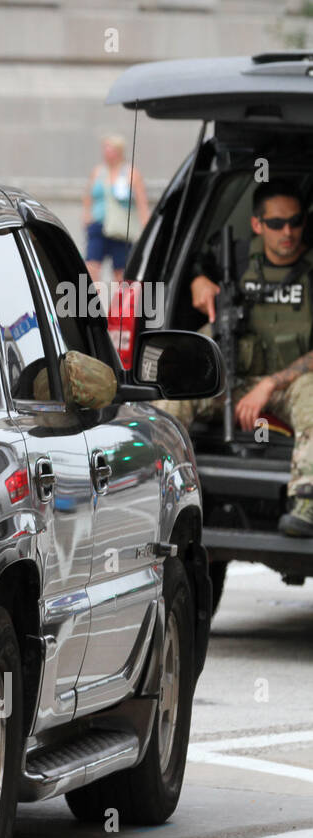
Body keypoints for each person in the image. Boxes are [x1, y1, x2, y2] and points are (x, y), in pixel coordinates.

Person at [157, 180, 313, 537]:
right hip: (233, 376)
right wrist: (198, 279)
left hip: (289, 383)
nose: (287, 232)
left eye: (295, 222)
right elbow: (197, 258)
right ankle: (157, 489)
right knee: (173, 398)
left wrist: (272, 384)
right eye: (275, 224)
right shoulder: (238, 258)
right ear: (257, 224)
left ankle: (306, 499)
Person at [82, 133, 149, 283]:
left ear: (119, 151)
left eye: (110, 149)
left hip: (120, 230)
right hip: (98, 226)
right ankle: (94, 302)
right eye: (105, 149)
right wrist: (86, 216)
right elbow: (88, 196)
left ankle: (120, 304)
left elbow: (142, 203)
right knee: (91, 267)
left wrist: (145, 229)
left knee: (121, 272)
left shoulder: (131, 173)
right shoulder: (98, 172)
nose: (106, 152)